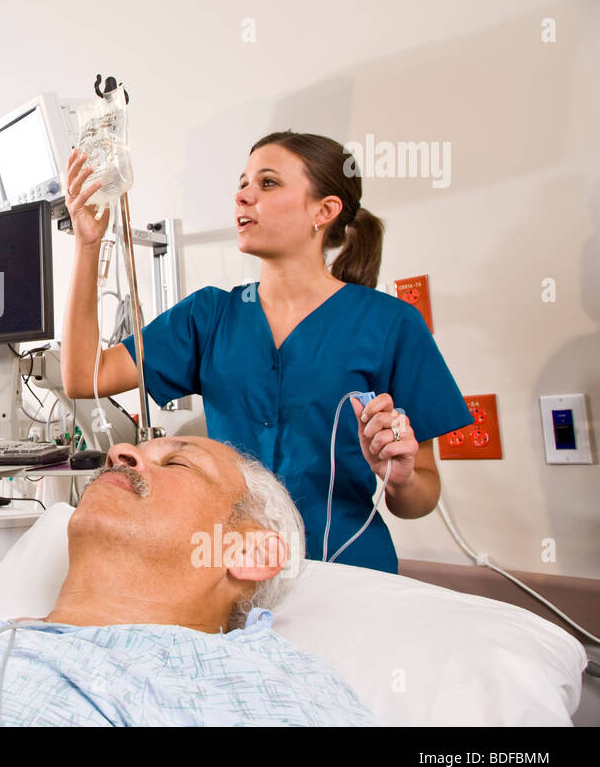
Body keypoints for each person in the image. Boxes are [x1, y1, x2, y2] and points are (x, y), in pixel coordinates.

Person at [0, 435, 377, 726]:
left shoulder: (258, 686)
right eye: (136, 448)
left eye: (178, 460)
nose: (124, 452)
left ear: (249, 552)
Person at [61, 131, 472, 573]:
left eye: (268, 183)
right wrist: (87, 244)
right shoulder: (209, 315)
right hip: (225, 570)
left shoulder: (392, 324)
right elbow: (85, 377)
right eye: (242, 183)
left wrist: (400, 475)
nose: (243, 196)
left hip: (345, 570)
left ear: (324, 211)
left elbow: (420, 500)